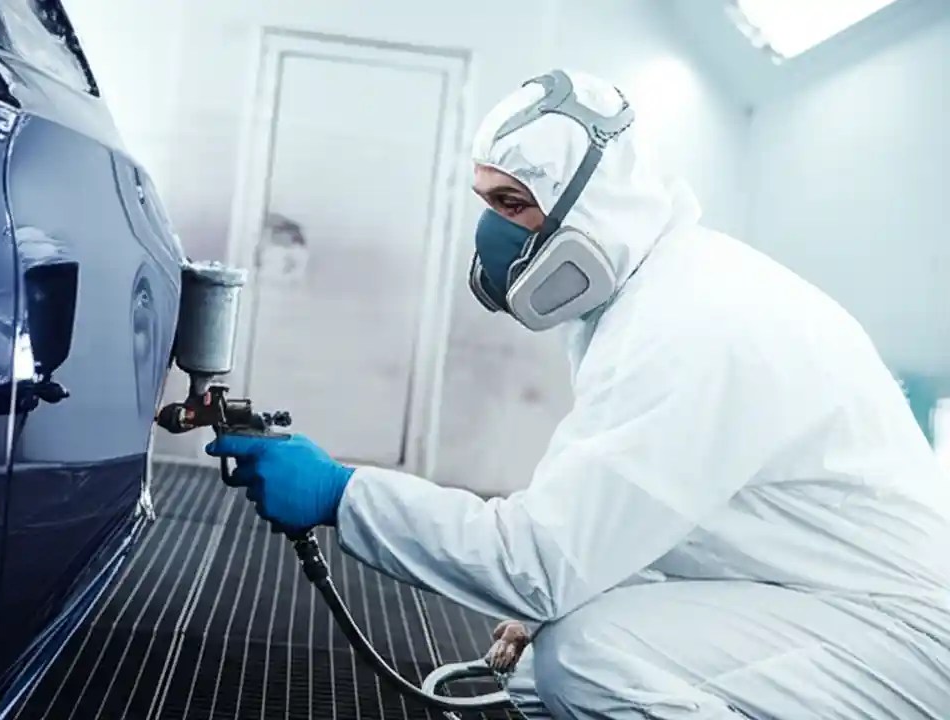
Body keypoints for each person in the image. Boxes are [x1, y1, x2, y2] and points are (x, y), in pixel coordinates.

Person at [207, 69, 950, 718]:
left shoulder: (690, 325)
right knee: (544, 663)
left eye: (512, 204)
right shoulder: (653, 294)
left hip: (899, 639)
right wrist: (563, 592)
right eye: (487, 202)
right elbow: (653, 514)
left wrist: (342, 494)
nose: (493, 234)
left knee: (587, 659)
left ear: (592, 210)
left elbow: (534, 563)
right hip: (817, 597)